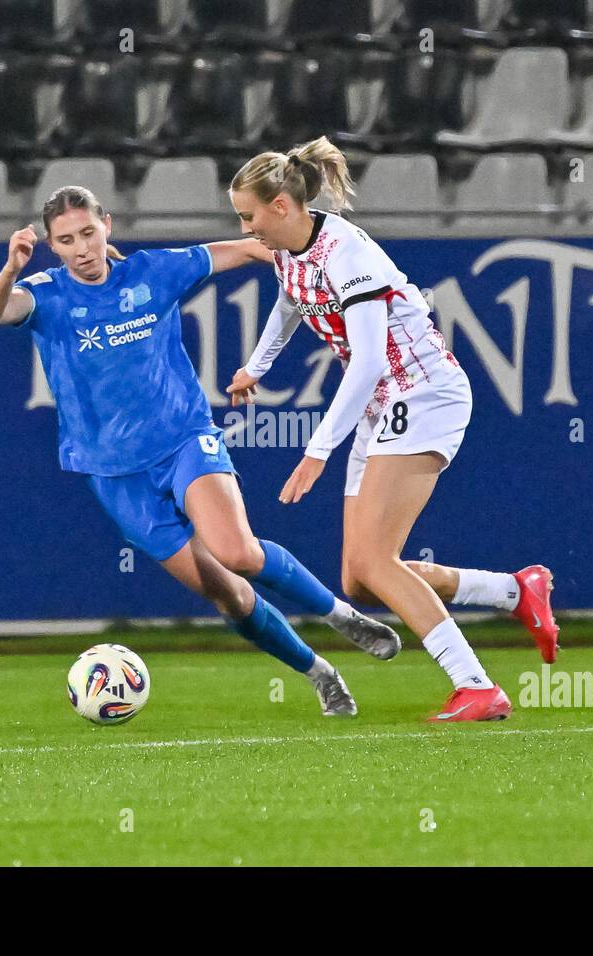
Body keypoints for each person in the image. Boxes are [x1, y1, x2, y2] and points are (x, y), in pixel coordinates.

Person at [0, 184, 403, 717]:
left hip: (184, 441)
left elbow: (251, 248)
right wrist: (10, 269)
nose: (82, 248)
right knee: (229, 595)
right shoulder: (48, 294)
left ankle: (342, 616)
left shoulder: (154, 272)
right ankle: (320, 672)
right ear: (51, 246)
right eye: (66, 240)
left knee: (238, 552)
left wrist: (321, 260)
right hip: (114, 475)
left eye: (88, 232)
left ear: (107, 224)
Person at [225, 137, 560, 723]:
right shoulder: (287, 248)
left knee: (380, 561)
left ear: (281, 206)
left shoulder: (347, 253)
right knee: (360, 576)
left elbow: (371, 359)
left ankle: (475, 684)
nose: (245, 228)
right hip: (386, 403)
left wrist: (317, 451)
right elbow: (290, 303)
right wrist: (258, 365)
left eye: (248, 215)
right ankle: (513, 591)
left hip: (421, 391)